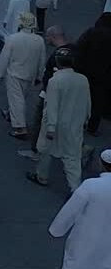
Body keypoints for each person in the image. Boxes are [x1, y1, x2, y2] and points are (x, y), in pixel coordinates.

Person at [48, 150, 111, 269]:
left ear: (102, 164)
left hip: (87, 240)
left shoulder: (91, 186)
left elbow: (69, 212)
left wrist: (56, 230)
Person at [28, 48, 91, 192]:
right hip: (75, 124)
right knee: (72, 157)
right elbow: (87, 103)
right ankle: (75, 188)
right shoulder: (83, 79)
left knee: (45, 151)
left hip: (55, 124)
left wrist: (50, 128)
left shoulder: (55, 80)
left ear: (57, 62)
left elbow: (52, 105)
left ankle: (41, 176)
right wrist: (86, 119)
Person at [0, 12, 47, 139]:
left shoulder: (13, 38)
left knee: (16, 99)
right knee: (20, 96)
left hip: (14, 72)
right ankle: (9, 113)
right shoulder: (39, 40)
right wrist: (40, 76)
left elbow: (4, 57)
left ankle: (20, 127)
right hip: (30, 74)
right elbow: (42, 60)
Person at [76, 13, 111, 135]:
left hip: (85, 71)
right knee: (98, 102)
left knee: (81, 98)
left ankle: (77, 122)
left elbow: (79, 49)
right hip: (104, 76)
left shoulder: (92, 33)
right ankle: (92, 127)